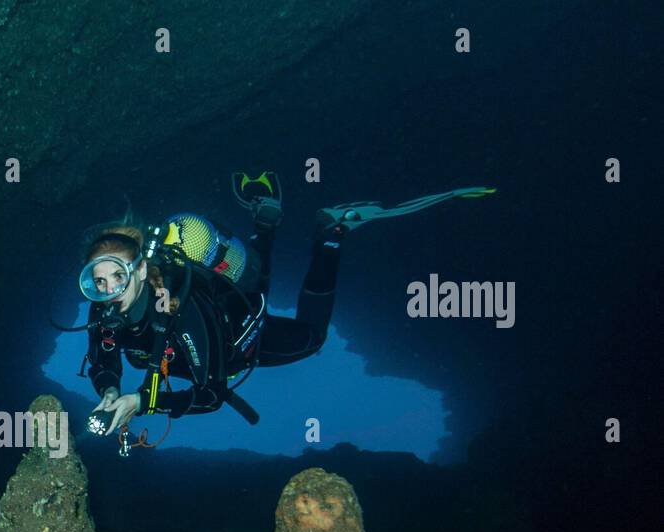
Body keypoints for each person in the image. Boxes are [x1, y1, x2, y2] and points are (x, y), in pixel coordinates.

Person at [79, 172, 494, 441]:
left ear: (139, 269)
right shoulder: (103, 309)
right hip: (218, 321)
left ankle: (331, 234)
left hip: (242, 337)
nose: (109, 290)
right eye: (98, 281)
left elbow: (211, 393)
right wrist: (111, 391)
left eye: (117, 276)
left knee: (307, 335)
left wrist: (141, 403)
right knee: (258, 277)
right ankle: (265, 220)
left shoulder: (179, 307)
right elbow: (104, 360)